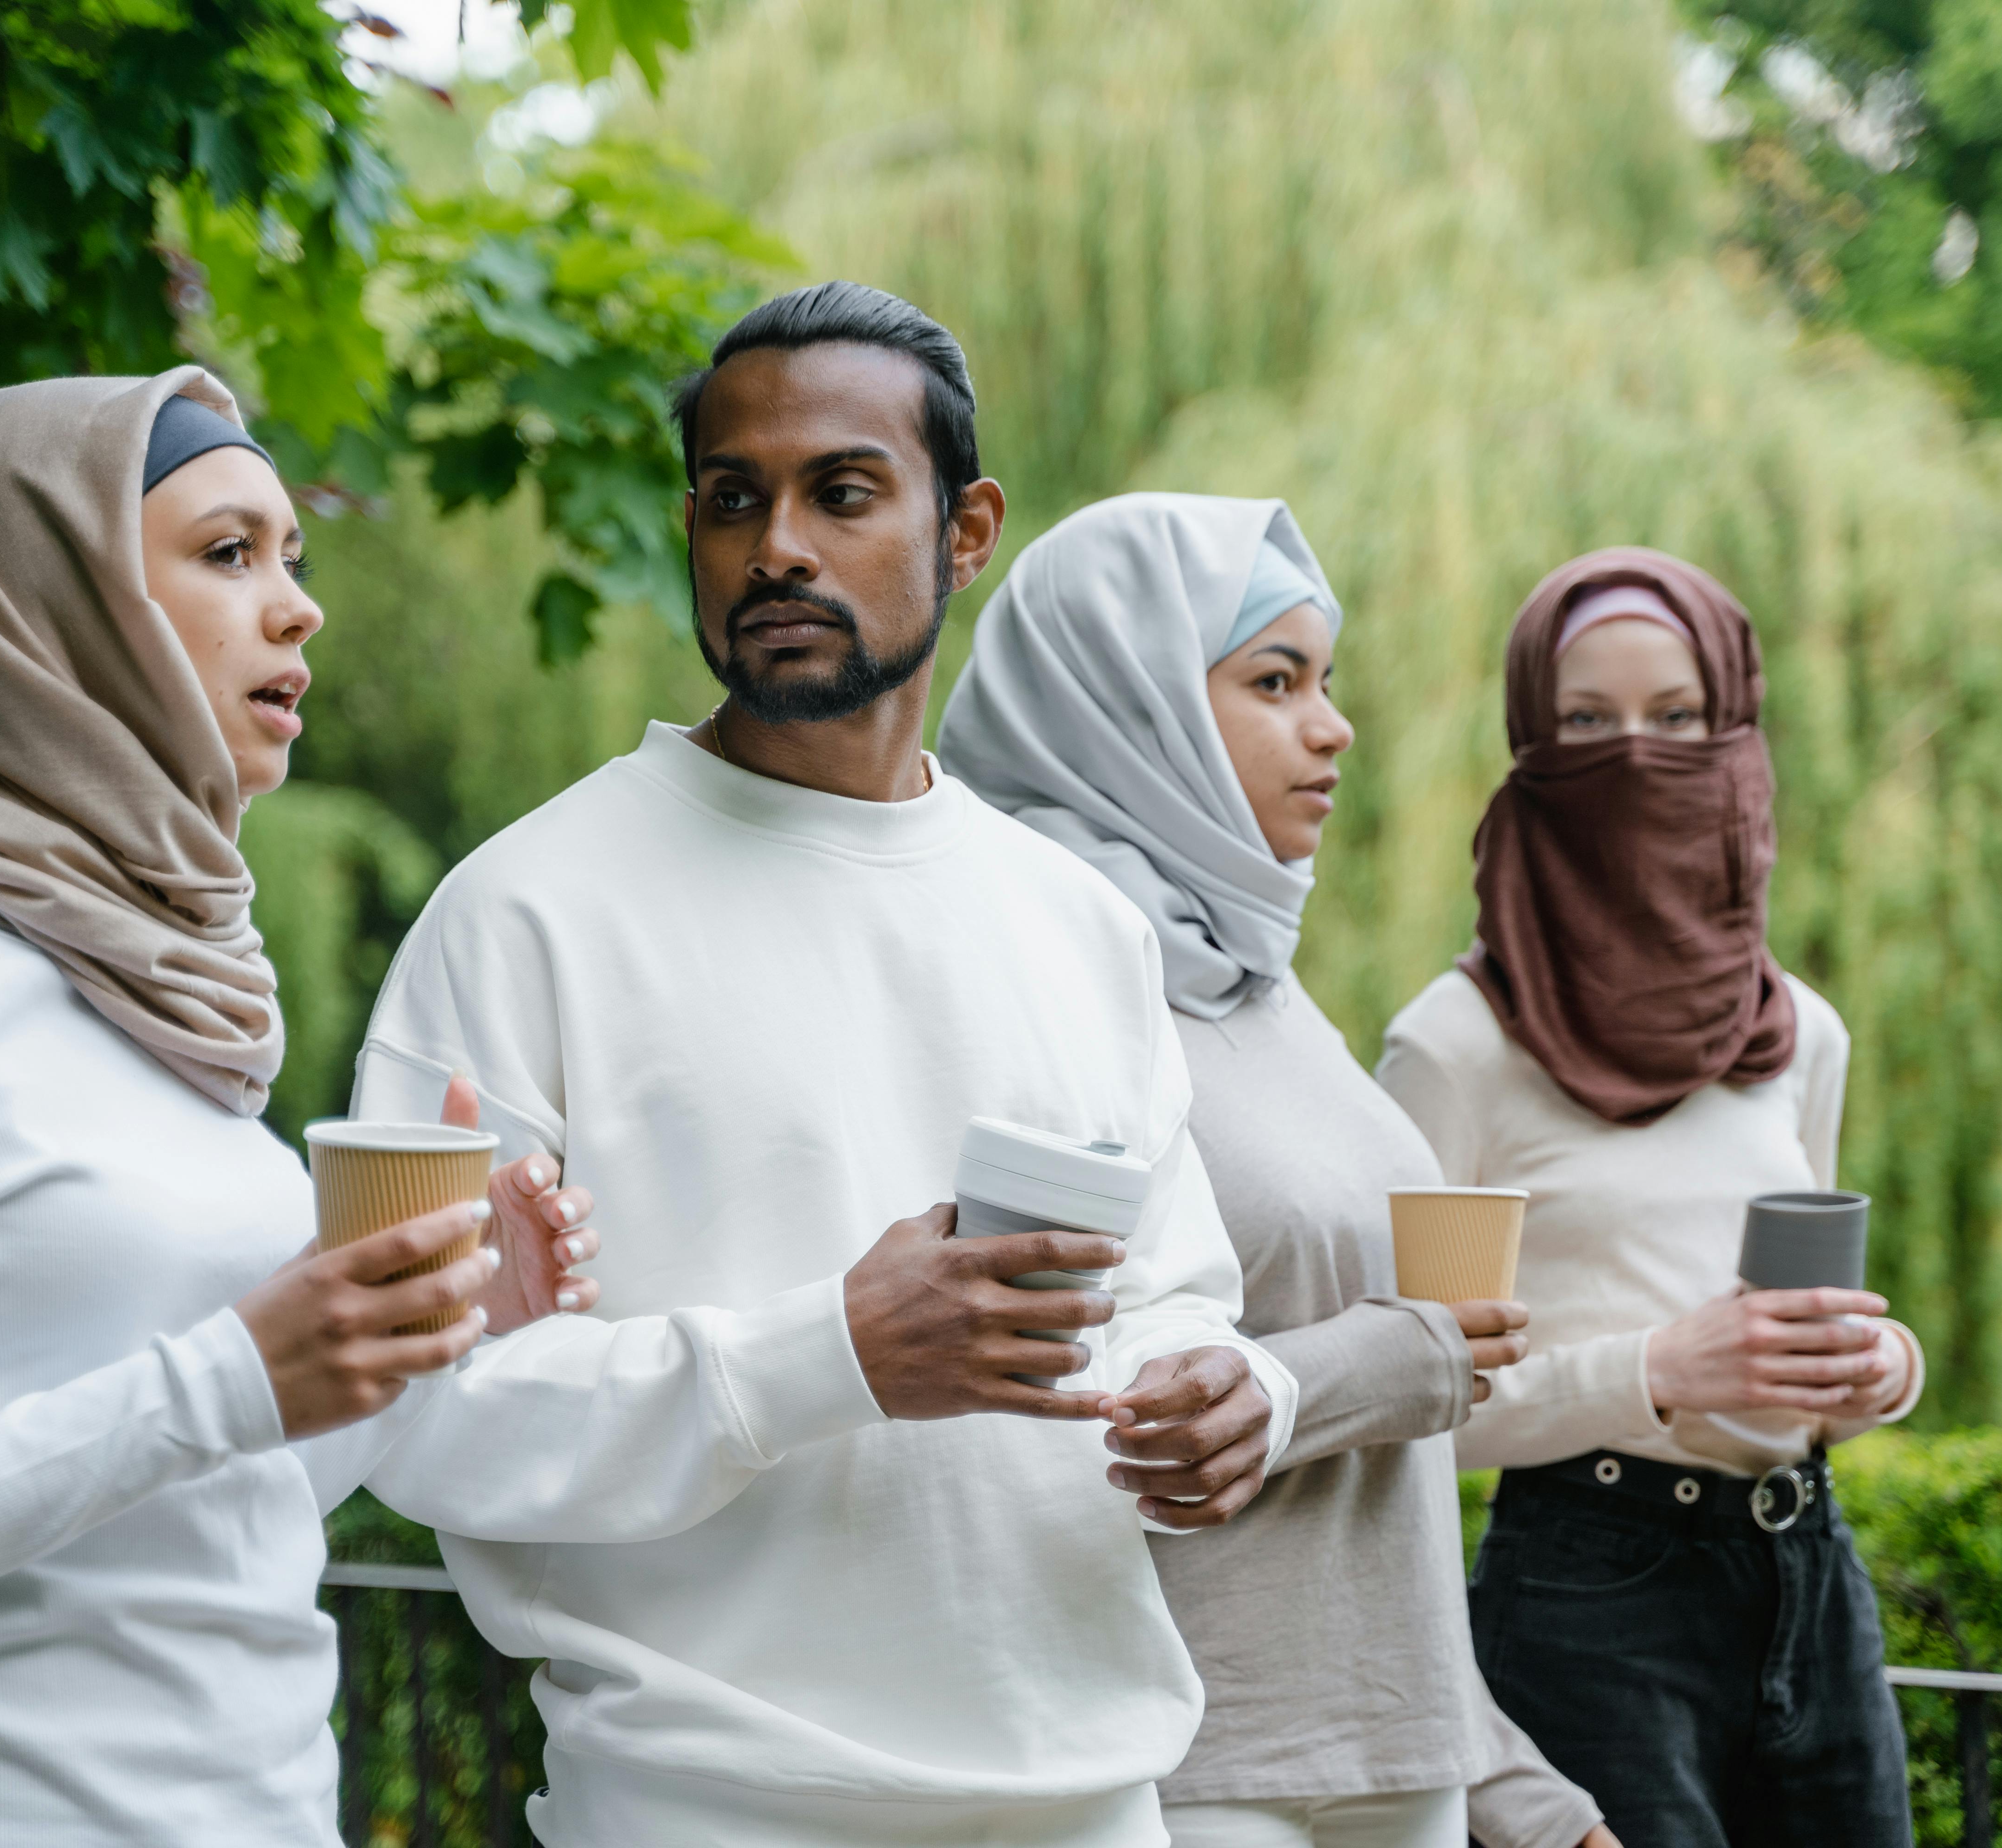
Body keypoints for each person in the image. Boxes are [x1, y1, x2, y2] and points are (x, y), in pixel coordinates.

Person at [345, 281, 1299, 1847]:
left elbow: (1169, 1294)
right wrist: (828, 1355)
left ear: (966, 525)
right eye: (735, 499)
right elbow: (422, 1413)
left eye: (842, 491)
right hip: (702, 1808)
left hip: (1097, 1802)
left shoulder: (1077, 924)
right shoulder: (526, 910)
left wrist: (1228, 1389)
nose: (776, 544)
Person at [0, 369, 591, 1845]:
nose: (298, 606)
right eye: (226, 552)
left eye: (294, 555)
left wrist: (432, 1340)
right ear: (52, 611)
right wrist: (223, 1377)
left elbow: (210, 1504)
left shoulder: (178, 999)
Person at [939, 493, 1613, 1848]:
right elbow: (1027, 1401)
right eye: (1274, 680)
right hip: (1188, 1766)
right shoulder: (1028, 986)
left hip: (1395, 1756)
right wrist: (1394, 1361)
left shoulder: (1263, 985)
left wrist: (1515, 1791)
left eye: (1328, 679)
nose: (1334, 724)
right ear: (1123, 702)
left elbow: (1387, 1509)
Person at [1376, 548, 1922, 1845]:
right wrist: (1663, 1370)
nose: (1637, 757)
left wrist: (1877, 1368)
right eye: (1587, 724)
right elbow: (1405, 1403)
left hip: (1812, 1575)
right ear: (1529, 747)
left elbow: (1807, 1329)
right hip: (1587, 1593)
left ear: (1735, 737)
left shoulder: (1800, 1035)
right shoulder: (1455, 1047)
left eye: (1677, 720)